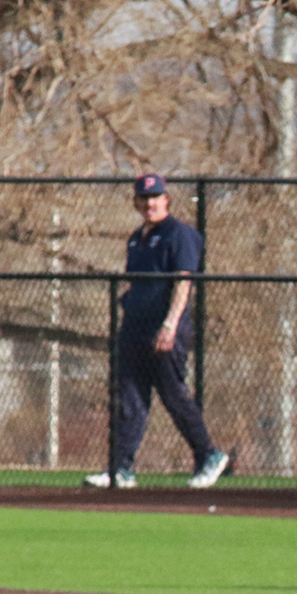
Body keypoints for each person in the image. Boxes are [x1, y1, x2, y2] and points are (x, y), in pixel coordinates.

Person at [84, 173, 231, 490]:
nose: (149, 203)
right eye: (144, 198)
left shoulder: (180, 234)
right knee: (129, 399)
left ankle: (209, 455)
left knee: (174, 395)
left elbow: (184, 281)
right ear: (136, 202)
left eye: (155, 197)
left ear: (167, 200)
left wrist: (170, 324)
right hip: (134, 328)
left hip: (165, 330)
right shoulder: (136, 238)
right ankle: (121, 469)